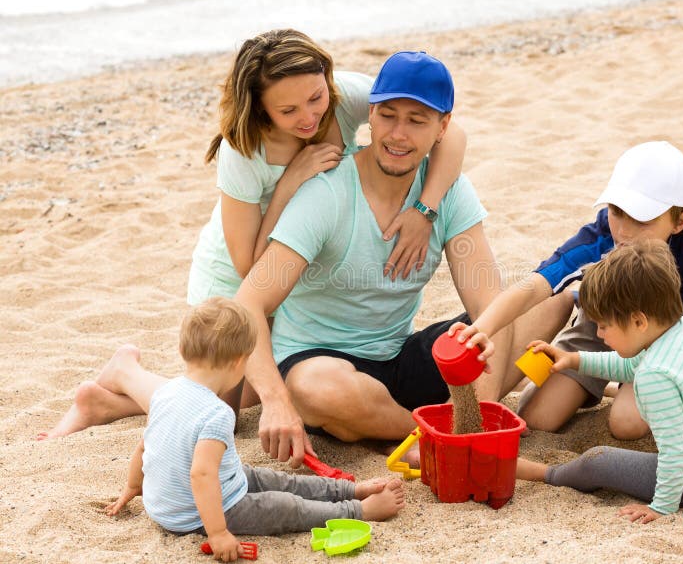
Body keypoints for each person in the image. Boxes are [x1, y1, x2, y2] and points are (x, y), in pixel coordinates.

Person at [37, 51, 570, 460]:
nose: (399, 134)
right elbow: (248, 302)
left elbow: (487, 302)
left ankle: (452, 425)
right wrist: (274, 400)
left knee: (543, 307)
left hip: (395, 354)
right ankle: (432, 431)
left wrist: (483, 406)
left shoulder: (449, 191)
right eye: (387, 117)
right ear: (370, 113)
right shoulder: (322, 190)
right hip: (320, 359)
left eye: (417, 121)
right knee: (289, 390)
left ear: (443, 128)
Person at [450, 141, 683, 439]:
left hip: (662, 346)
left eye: (642, 218)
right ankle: (602, 376)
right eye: (617, 211)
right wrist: (481, 327)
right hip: (604, 327)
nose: (624, 230)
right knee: (537, 417)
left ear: (679, 221)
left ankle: (613, 384)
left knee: (625, 424)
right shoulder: (605, 234)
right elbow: (537, 284)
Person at [104, 298, 405, 562]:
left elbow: (145, 447)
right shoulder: (216, 412)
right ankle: (358, 511)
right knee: (285, 507)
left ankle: (349, 490)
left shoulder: (164, 393)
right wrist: (218, 532)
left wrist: (133, 487)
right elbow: (202, 474)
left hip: (172, 503)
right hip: (195, 514)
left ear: (183, 349)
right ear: (239, 364)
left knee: (268, 478)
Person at [187, 29, 468, 306]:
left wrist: (424, 210)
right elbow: (249, 269)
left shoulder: (341, 95)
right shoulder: (243, 150)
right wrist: (289, 183)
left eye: (315, 98)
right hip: (232, 286)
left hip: (302, 281)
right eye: (288, 111)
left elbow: (449, 133)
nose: (309, 118)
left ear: (326, 77)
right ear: (262, 108)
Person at [515, 241, 683, 524]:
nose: (600, 335)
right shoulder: (682, 329)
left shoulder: (655, 378)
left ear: (639, 322)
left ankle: (548, 473)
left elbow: (675, 455)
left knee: (600, 460)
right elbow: (629, 365)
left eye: (604, 326)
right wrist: (575, 360)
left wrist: (660, 507)